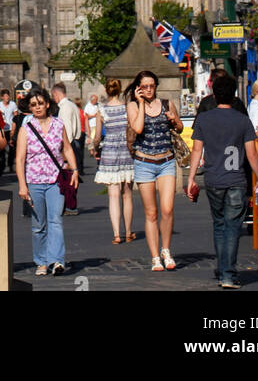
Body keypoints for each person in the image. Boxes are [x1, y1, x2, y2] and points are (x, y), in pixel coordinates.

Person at [186, 72, 258, 288]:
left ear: (214, 94)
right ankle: (228, 273)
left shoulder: (203, 119)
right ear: (234, 96)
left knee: (219, 225)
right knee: (232, 227)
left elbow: (196, 151)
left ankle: (223, 271)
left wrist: (191, 178)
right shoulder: (242, 121)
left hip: (213, 179)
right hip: (236, 179)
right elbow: (251, 154)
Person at [15, 88, 79, 277]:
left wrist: (74, 170)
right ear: (30, 107)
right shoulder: (25, 130)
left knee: (56, 220)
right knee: (39, 225)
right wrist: (22, 185)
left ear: (47, 104)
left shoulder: (58, 125)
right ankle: (41, 261)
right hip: (34, 182)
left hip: (54, 181)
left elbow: (67, 149)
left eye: (40, 103)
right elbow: (20, 159)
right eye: (33, 104)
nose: (37, 107)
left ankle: (56, 260)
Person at [127, 69, 183, 271]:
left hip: (166, 160)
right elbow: (138, 128)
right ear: (138, 88)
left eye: (152, 86)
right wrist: (141, 103)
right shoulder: (133, 106)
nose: (149, 89)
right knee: (151, 213)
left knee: (167, 209)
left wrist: (173, 120)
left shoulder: (167, 103)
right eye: (144, 86)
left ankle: (166, 250)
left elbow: (179, 128)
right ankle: (154, 256)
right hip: (144, 163)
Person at [92, 78, 136, 243]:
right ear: (120, 89)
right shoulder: (127, 108)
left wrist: (95, 148)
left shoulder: (101, 110)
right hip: (126, 151)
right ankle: (129, 231)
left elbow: (97, 137)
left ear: (106, 90)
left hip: (109, 151)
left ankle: (117, 234)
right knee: (128, 195)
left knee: (113, 195)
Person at [51, 84, 82, 210]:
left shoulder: (65, 108)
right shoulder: (72, 105)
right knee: (70, 175)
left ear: (57, 94)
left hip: (69, 144)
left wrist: (64, 148)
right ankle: (69, 204)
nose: (54, 99)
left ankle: (69, 205)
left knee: (68, 176)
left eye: (53, 96)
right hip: (75, 142)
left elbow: (67, 130)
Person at [0, 89, 17, 169]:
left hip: (11, 129)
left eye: (8, 96)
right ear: (2, 97)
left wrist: (14, 127)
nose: (7, 97)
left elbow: (15, 115)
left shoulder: (13, 104)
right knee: (2, 147)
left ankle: (10, 164)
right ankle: (2, 164)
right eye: (5, 96)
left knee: (11, 148)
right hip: (2, 129)